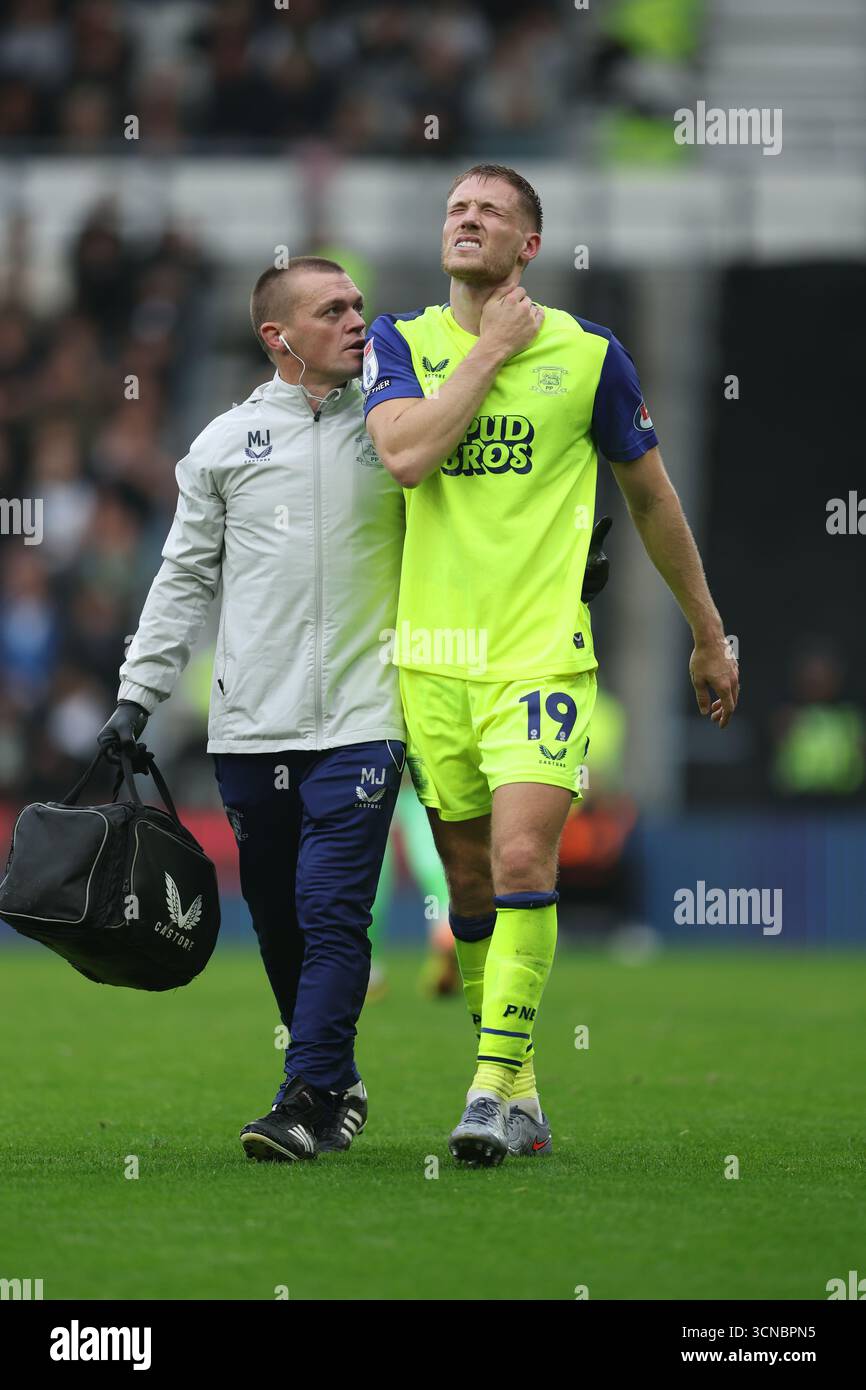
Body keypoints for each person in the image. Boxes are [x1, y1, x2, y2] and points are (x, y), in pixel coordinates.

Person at [364, 163, 739, 1167]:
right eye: (454, 206)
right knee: (471, 878)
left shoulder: (588, 356)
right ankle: (522, 1086)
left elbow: (652, 500)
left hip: (539, 657)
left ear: (529, 244)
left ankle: (486, 1089)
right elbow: (404, 456)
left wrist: (707, 632)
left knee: (525, 858)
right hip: (431, 661)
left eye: (490, 210)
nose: (467, 218)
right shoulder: (398, 342)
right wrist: (488, 354)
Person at [98, 257, 407, 1162]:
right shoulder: (224, 445)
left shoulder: (395, 430)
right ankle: (335, 1082)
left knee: (333, 908)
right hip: (252, 727)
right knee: (277, 917)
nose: (359, 320)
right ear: (279, 338)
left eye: (359, 304)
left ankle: (302, 1096)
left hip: (364, 717)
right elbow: (183, 577)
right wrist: (137, 695)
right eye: (333, 310)